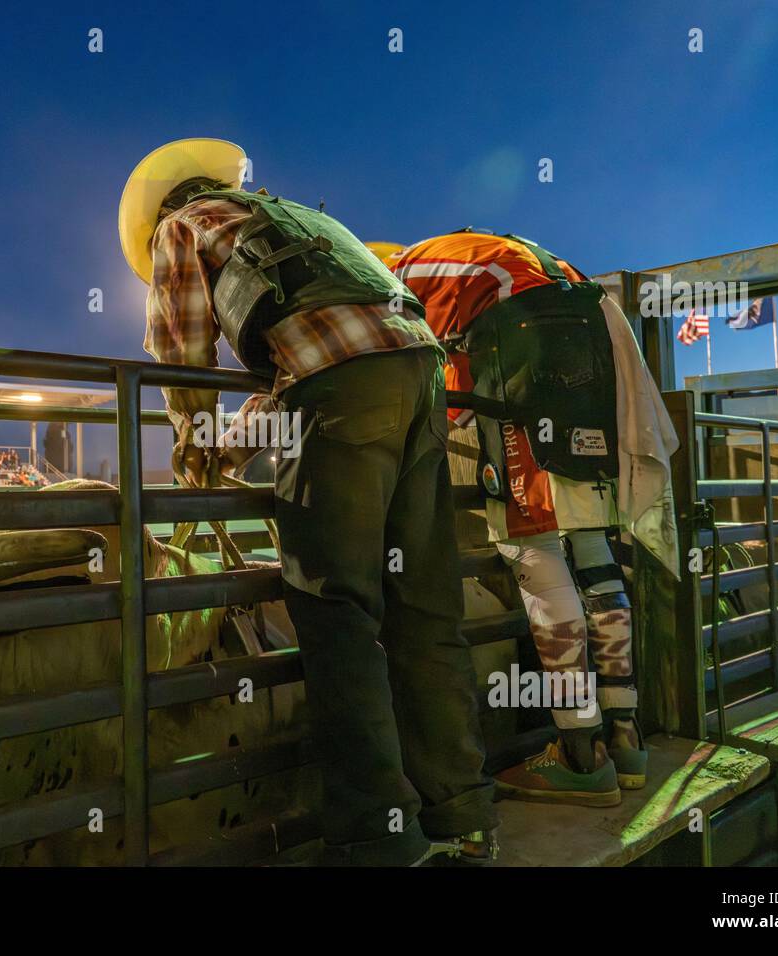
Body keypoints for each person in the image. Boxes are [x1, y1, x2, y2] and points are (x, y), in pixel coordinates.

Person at [119, 139, 497, 865]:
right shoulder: (302, 223)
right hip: (417, 376)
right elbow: (311, 360)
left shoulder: (183, 226)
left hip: (341, 396)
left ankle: (376, 836)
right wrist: (229, 447)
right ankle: (464, 812)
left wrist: (194, 444)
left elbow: (180, 350)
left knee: (336, 610)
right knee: (423, 605)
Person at [377, 230, 679, 807]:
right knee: (592, 548)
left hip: (528, 355)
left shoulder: (401, 278)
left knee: (533, 549)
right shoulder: (478, 252)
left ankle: (579, 754)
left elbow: (430, 376)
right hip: (591, 356)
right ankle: (626, 735)